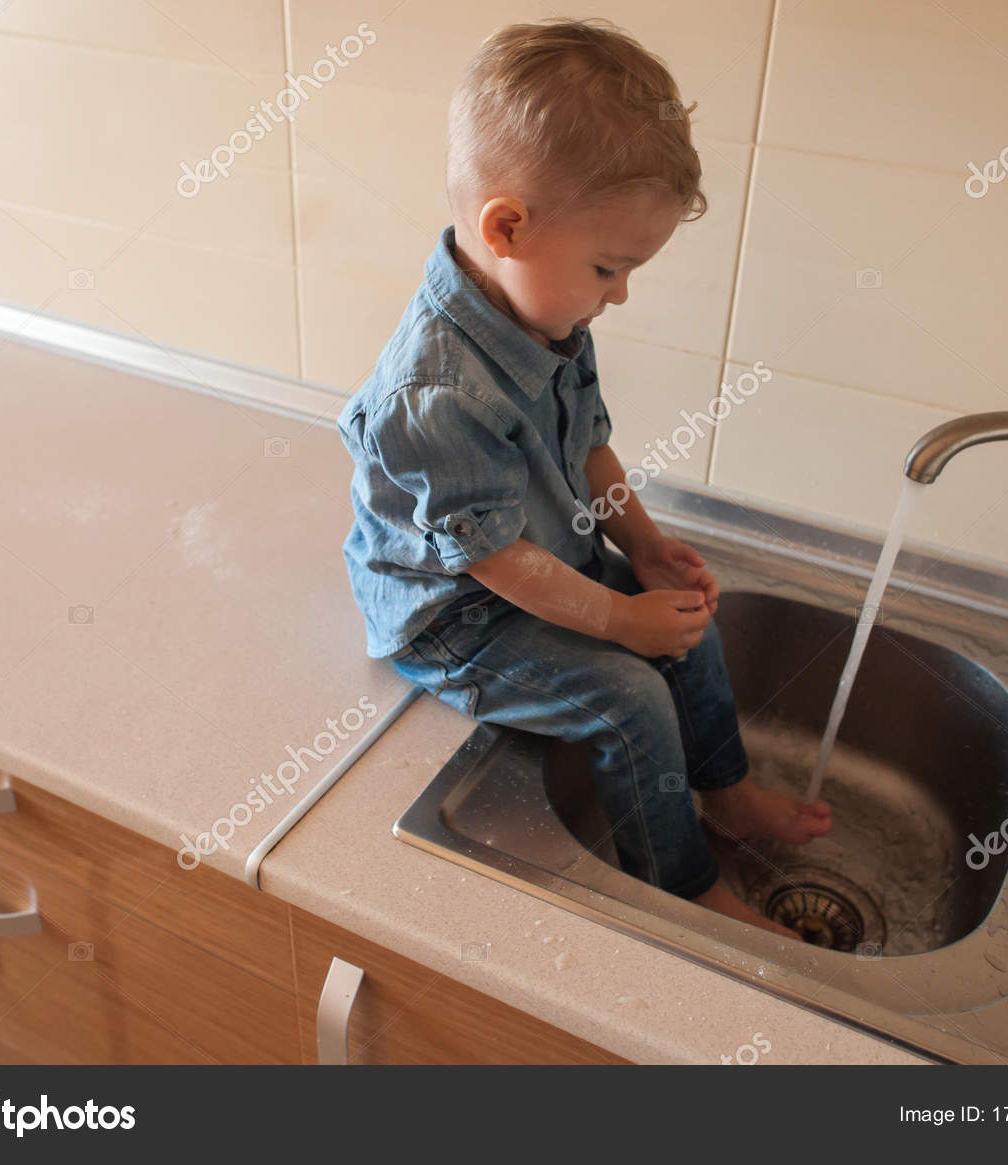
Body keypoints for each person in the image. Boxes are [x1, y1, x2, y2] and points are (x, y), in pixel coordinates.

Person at [336, 18, 830, 939]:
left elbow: (590, 449)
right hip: (455, 616)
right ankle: (683, 886)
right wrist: (616, 620)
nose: (621, 294)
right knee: (630, 696)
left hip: (537, 557)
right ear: (507, 227)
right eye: (610, 267)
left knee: (687, 628)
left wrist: (642, 545)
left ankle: (724, 794)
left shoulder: (547, 311)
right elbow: (493, 564)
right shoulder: (436, 389)